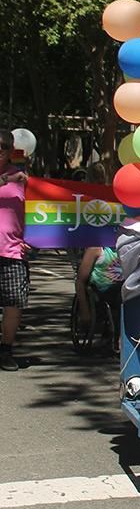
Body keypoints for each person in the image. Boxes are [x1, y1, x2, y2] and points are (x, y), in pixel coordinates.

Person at [0, 130, 29, 371]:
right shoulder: (13, 177)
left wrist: (33, 238)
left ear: (10, 151)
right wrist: (6, 180)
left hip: (12, 250)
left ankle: (5, 350)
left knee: (14, 302)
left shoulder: (22, 179)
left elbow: (38, 211)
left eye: (2, 147)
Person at [74, 244, 123, 350]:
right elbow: (80, 281)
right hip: (104, 289)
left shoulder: (127, 246)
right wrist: (85, 311)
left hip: (123, 286)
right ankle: (119, 338)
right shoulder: (96, 249)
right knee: (121, 297)